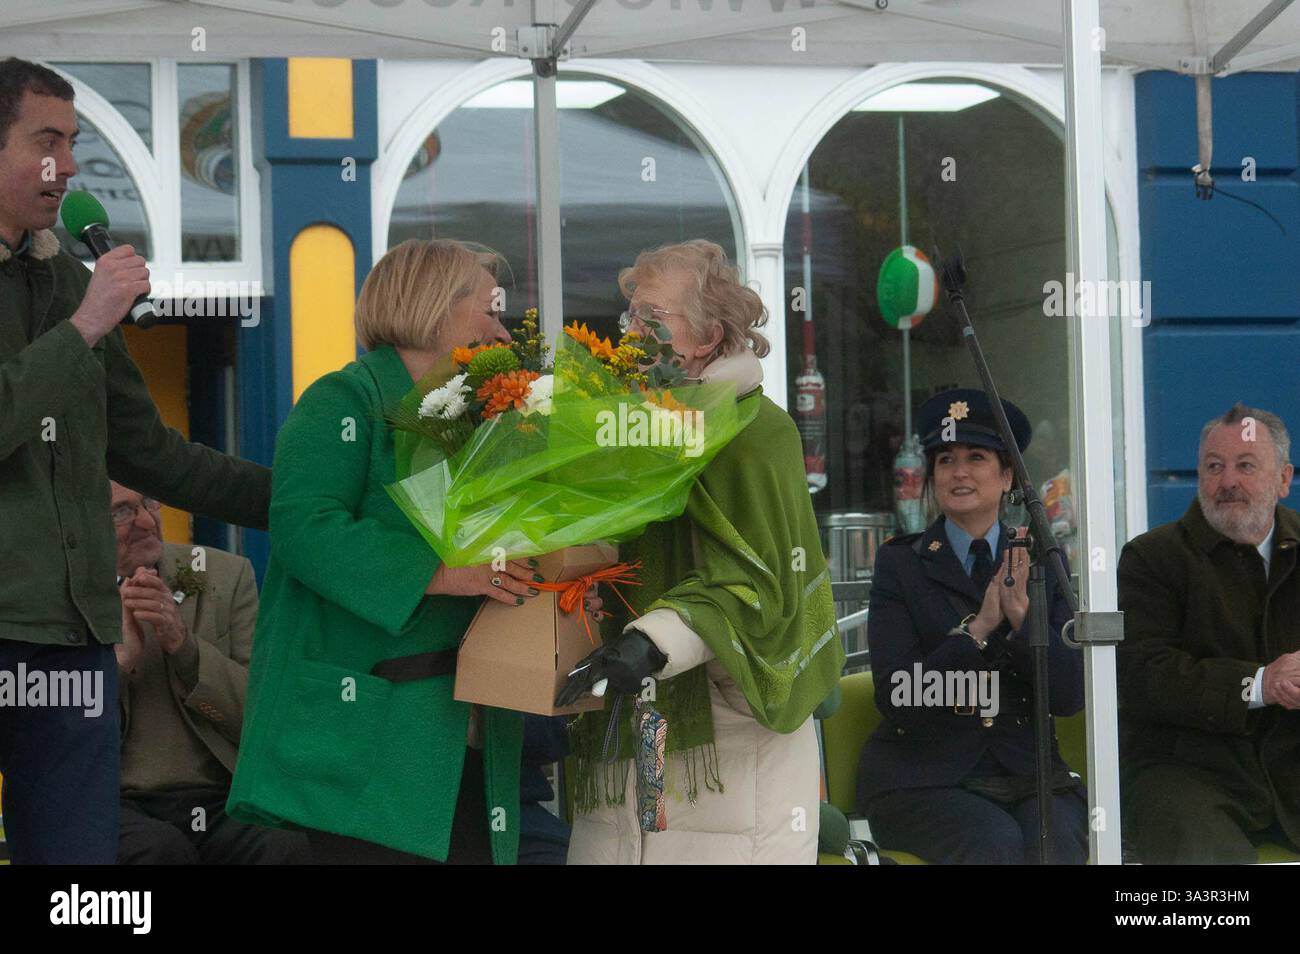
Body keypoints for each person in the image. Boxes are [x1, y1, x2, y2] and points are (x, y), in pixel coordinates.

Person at [0, 57, 270, 865]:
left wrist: (307, 496)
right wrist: (83, 325)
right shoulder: (80, 304)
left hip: (73, 631)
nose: (71, 167)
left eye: (75, 143)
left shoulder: (62, 278)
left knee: (77, 872)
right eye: (48, 142)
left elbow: (153, 454)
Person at [226, 239, 553, 864]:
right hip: (367, 739)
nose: (500, 329)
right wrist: (441, 573)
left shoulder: (474, 416)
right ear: (434, 308)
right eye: (488, 308)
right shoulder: (342, 402)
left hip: (468, 725)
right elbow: (303, 527)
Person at [559, 239, 844, 865]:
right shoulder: (633, 426)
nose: (632, 332)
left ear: (709, 334)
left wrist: (651, 641)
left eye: (653, 318)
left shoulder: (757, 433)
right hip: (624, 719)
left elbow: (764, 585)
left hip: (733, 739)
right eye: (631, 316)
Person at [857, 388, 1087, 864]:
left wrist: (1024, 623)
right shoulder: (901, 564)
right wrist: (978, 629)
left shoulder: (1042, 560)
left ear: (1006, 477)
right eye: (945, 460)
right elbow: (899, 696)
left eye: (976, 457)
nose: (959, 472)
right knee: (992, 842)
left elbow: (1068, 697)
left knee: (1056, 843)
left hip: (1026, 773)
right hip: (924, 777)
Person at [1118, 403, 1300, 864]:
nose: (1227, 482)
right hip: (1185, 767)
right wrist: (1259, 684)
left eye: (1245, 466)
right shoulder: (1152, 559)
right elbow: (1144, 676)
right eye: (1214, 467)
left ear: (1283, 479)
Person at [109, 481, 309, 864]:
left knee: (281, 844)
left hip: (219, 795)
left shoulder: (223, 574)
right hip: (120, 801)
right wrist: (120, 663)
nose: (148, 522)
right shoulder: (67, 597)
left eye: (150, 502)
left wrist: (184, 646)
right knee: (159, 852)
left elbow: (260, 714)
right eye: (122, 512)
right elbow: (57, 726)